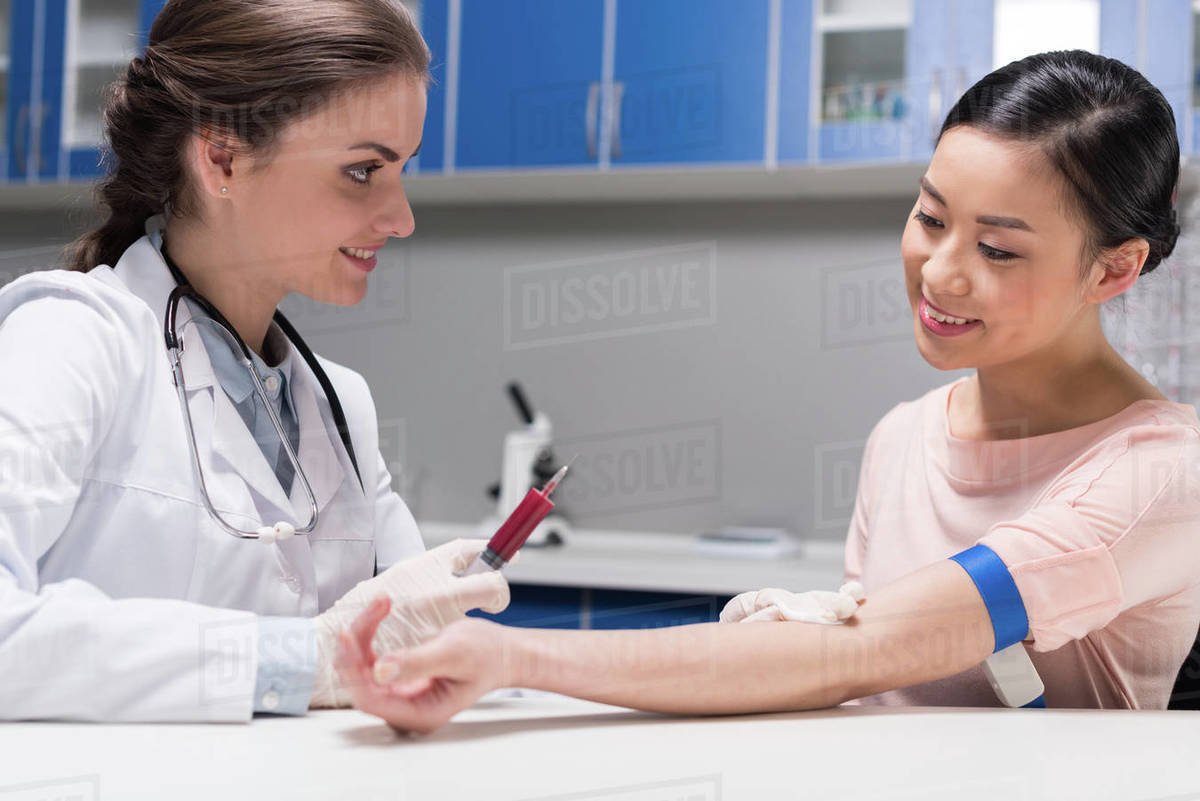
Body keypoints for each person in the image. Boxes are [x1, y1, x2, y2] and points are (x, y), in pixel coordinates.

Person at [340, 50, 1200, 733]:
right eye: (931, 219)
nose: (939, 272)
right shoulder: (904, 436)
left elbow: (872, 649)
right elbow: (857, 682)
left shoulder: (1164, 473)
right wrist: (804, 626)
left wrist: (510, 658)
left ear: (1116, 267)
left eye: (1000, 251)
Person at [0, 0, 512, 722]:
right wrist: (299, 658)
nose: (402, 217)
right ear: (223, 159)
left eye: (401, 169)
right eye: (364, 170)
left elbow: (422, 657)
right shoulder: (72, 341)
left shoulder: (339, 406)